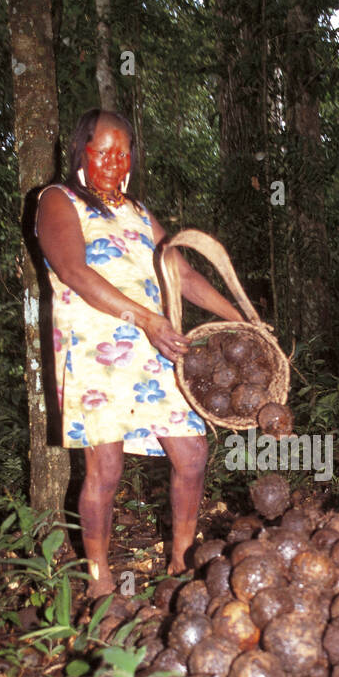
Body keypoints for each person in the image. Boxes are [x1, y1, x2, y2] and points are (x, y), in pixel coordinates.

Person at [36, 109, 244, 597]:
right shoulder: (56, 200)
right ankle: (99, 579)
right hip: (97, 347)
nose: (113, 160)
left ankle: (180, 562)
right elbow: (74, 273)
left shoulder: (136, 211)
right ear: (81, 151)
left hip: (156, 346)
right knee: (105, 468)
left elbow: (184, 275)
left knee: (191, 453)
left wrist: (241, 318)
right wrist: (148, 320)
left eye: (122, 151)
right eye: (102, 150)